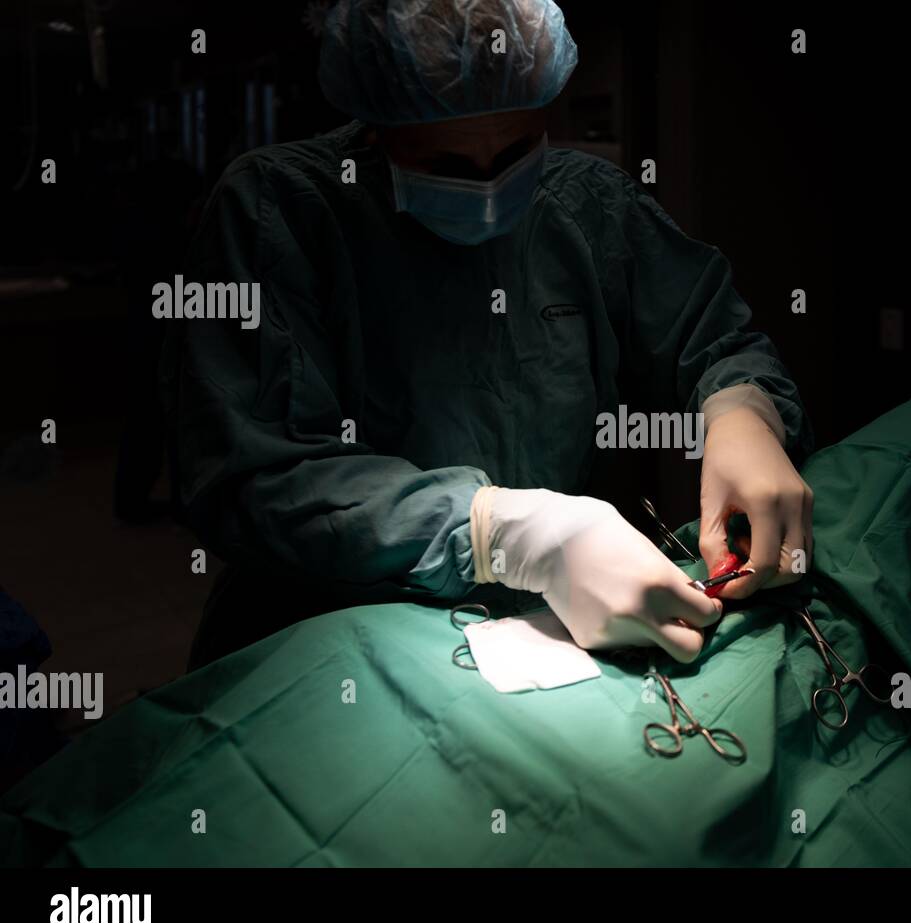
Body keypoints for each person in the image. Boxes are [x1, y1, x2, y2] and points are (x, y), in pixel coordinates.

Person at [163, 0, 813, 668]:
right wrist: (500, 531)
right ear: (380, 127)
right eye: (444, 163)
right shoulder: (278, 211)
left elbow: (714, 335)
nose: (488, 189)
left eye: (515, 153)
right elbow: (250, 478)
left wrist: (742, 409)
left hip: (544, 632)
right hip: (326, 639)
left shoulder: (589, 206)